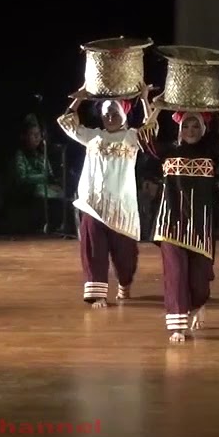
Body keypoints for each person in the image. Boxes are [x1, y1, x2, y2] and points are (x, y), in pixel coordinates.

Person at [140, 108, 219, 343]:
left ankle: (198, 305)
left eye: (195, 126)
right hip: (170, 222)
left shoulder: (212, 152)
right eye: (185, 126)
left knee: (199, 282)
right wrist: (157, 108)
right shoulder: (168, 151)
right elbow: (145, 135)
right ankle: (178, 325)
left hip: (201, 225)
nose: (190, 130)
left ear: (203, 129)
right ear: (179, 129)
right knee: (175, 274)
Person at [58, 87, 147, 307]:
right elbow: (67, 123)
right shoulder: (94, 136)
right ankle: (98, 294)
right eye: (106, 113)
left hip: (122, 206)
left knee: (125, 254)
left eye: (115, 113)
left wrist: (144, 100)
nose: (110, 117)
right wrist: (79, 98)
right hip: (93, 203)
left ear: (124, 115)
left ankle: (124, 283)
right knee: (93, 248)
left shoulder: (132, 137)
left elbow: (151, 130)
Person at [8, 114, 63, 232]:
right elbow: (22, 179)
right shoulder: (19, 155)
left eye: (38, 134)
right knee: (40, 191)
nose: (37, 137)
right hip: (26, 192)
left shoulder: (41, 155)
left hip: (44, 189)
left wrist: (56, 182)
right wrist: (44, 178)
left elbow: (50, 175)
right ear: (23, 136)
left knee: (60, 192)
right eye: (33, 134)